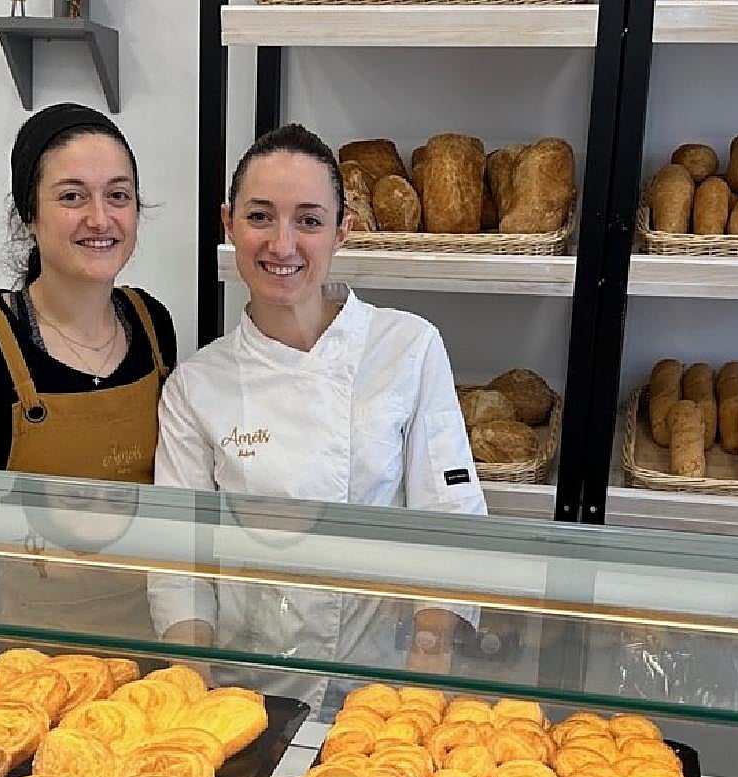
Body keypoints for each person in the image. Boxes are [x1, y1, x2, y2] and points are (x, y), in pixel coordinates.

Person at [151, 123, 486, 683]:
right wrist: (195, 689)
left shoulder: (407, 346)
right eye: (259, 216)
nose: (282, 244)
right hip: (250, 690)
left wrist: (426, 670)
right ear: (228, 224)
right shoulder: (196, 383)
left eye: (308, 220)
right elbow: (178, 561)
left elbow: (448, 520)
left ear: (342, 231)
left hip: (381, 686)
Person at [0, 102, 175, 636]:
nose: (100, 218)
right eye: (72, 196)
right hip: (32, 656)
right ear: (28, 215)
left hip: (155, 644)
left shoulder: (152, 324)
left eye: (117, 195)